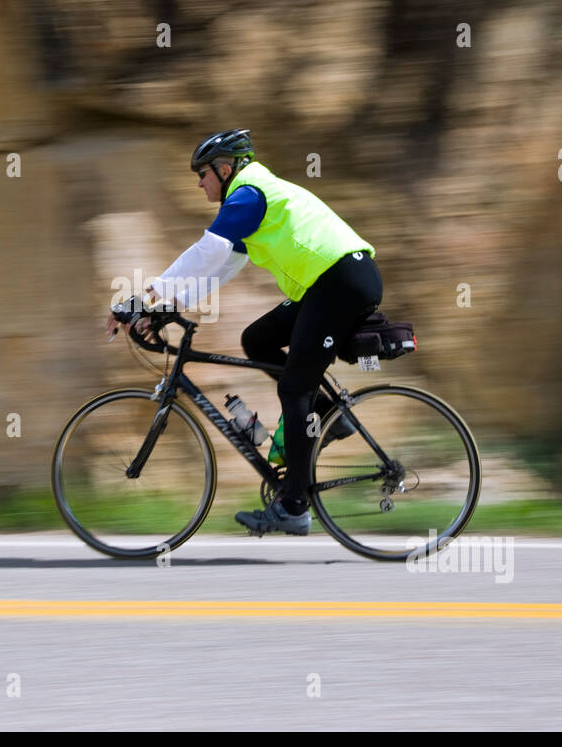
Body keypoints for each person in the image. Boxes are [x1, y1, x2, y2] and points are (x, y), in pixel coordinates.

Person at [103, 129, 383, 535]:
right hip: (331, 283)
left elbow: (207, 251)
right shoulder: (250, 203)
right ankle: (326, 414)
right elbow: (221, 269)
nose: (199, 182)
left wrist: (141, 297)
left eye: (202, 173)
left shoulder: (248, 192)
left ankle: (293, 506)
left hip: (340, 283)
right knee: (257, 340)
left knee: (293, 390)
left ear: (225, 167)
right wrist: (165, 307)